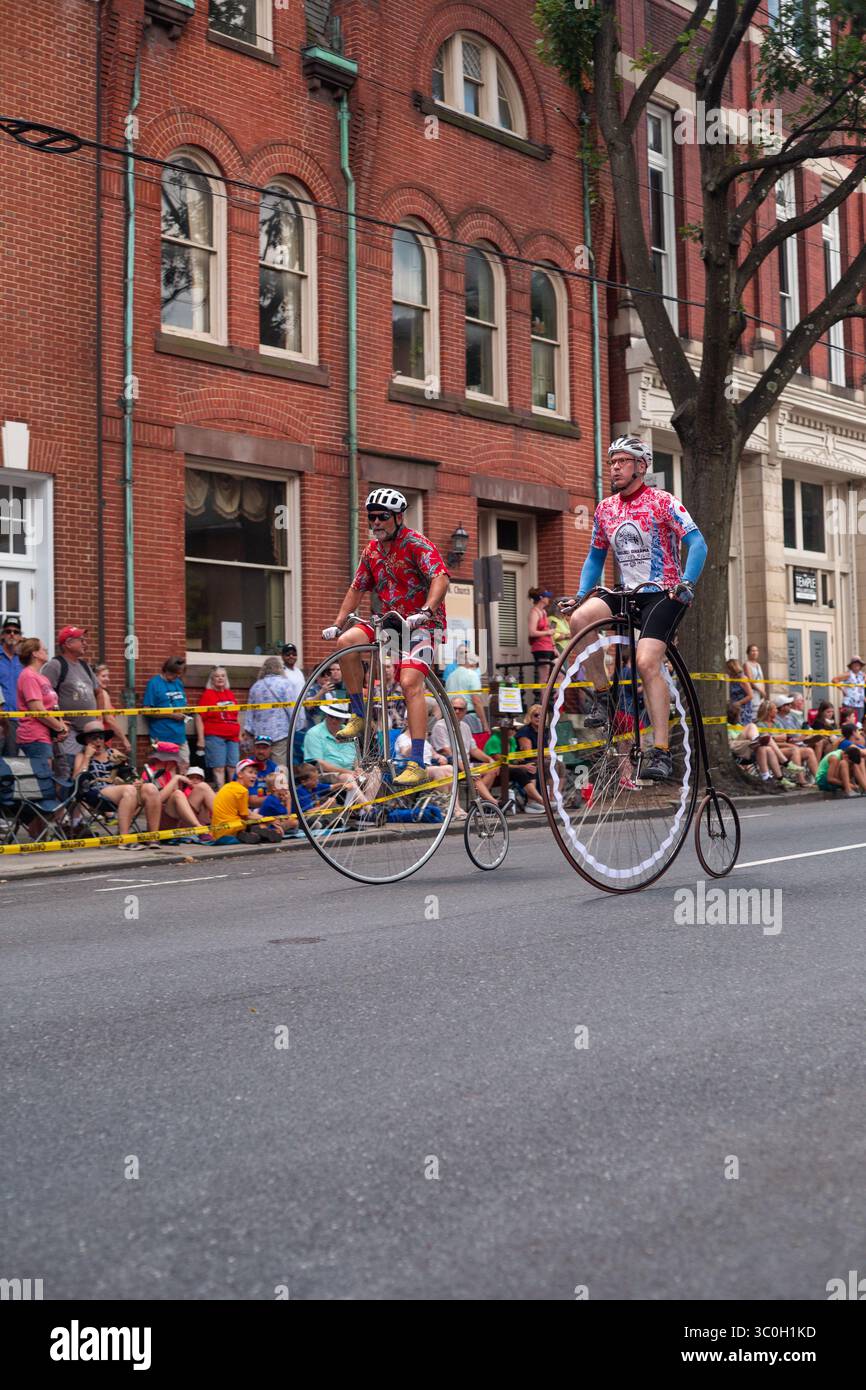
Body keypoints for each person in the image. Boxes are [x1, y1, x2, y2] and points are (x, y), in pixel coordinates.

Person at [561, 437, 707, 782]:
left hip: (663, 593)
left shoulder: (663, 502)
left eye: (623, 461)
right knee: (580, 619)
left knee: (645, 661)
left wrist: (687, 582)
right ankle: (604, 696)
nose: (615, 467)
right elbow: (596, 556)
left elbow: (697, 543)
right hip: (627, 591)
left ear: (642, 466)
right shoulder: (606, 509)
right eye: (612, 462)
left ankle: (661, 751)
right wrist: (581, 595)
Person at [322, 487, 450, 788]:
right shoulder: (372, 551)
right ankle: (358, 714)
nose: (376, 523)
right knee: (346, 643)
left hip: (422, 625)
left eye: (382, 517)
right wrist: (338, 623)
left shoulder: (417, 544)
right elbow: (357, 588)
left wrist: (427, 609)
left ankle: (417, 761)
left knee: (409, 682)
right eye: (371, 518)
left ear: (398, 517)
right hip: (391, 623)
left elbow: (440, 578)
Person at [43, 626, 130, 781]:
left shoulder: (84, 666)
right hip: (68, 733)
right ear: (68, 643)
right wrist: (58, 721)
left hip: (90, 733)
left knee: (89, 771)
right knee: (67, 771)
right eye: (81, 640)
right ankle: (65, 805)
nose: (85, 643)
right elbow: (45, 694)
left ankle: (84, 804)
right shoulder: (56, 665)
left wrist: (99, 718)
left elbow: (98, 692)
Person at [72, 721, 162, 843]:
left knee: (151, 788)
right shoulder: (82, 756)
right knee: (129, 789)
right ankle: (124, 839)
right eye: (93, 738)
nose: (98, 741)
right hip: (96, 792)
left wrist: (135, 780)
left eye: (101, 737)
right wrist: (87, 757)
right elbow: (76, 779)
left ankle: (153, 837)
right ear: (86, 740)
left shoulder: (113, 752)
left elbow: (128, 772)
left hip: (119, 790)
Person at [15, 637, 69, 802]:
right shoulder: (29, 676)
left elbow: (50, 707)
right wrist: (59, 727)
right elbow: (37, 709)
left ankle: (51, 822)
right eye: (44, 649)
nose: (46, 651)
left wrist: (59, 726)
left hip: (47, 735)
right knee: (41, 786)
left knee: (51, 781)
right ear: (35, 654)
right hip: (34, 736)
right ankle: (37, 824)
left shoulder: (42, 677)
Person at [428, 697, 500, 805]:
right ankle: (493, 803)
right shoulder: (440, 726)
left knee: (492, 768)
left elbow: (474, 750)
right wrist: (466, 769)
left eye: (460, 709)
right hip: (451, 764)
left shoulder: (466, 726)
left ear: (465, 711)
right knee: (475, 776)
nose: (457, 711)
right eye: (454, 708)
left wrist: (489, 759)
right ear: (448, 709)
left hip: (466, 763)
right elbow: (447, 752)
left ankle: (480, 802)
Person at [141, 742, 212, 841]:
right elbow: (158, 799)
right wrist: (176, 779)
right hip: (159, 821)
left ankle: (225, 819)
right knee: (178, 794)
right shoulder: (149, 773)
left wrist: (180, 779)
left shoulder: (168, 773)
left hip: (179, 817)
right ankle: (199, 828)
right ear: (162, 760)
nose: (175, 763)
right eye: (172, 760)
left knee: (202, 786)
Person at [211, 759, 283, 844]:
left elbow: (245, 812)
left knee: (259, 823)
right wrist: (270, 820)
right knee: (259, 825)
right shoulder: (242, 791)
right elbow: (247, 816)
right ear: (240, 774)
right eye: (250, 772)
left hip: (217, 832)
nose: (254, 776)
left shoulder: (229, 786)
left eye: (256, 773)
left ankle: (254, 833)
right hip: (231, 830)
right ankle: (251, 834)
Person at [244, 656, 296, 767]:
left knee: (261, 765)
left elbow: (250, 712)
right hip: (280, 733)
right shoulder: (285, 684)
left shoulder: (256, 686)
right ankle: (281, 783)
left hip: (260, 734)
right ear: (279, 668)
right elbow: (292, 709)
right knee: (280, 767)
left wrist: (249, 731)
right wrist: (297, 725)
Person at [194, 665, 241, 788]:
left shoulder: (229, 694)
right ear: (212, 679)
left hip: (233, 737)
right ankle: (221, 794)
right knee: (219, 767)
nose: (220, 678)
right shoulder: (208, 695)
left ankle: (232, 794)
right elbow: (199, 716)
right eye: (217, 676)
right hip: (215, 736)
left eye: (223, 676)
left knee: (233, 767)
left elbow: (236, 714)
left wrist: (240, 733)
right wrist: (201, 739)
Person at [483, 725, 546, 813]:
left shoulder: (511, 740)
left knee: (530, 767)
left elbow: (512, 759)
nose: (513, 731)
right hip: (494, 772)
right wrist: (521, 766)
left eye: (514, 729)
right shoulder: (495, 740)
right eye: (510, 728)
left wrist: (521, 760)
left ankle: (531, 802)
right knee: (519, 771)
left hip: (507, 769)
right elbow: (502, 762)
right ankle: (541, 800)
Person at [142, 656, 190, 758]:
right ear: (167, 670)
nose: (176, 676)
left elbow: (183, 703)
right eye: (173, 674)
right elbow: (147, 711)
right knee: (165, 769)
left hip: (180, 736)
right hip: (162, 736)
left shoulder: (178, 683)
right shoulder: (154, 683)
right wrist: (171, 715)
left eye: (179, 674)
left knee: (184, 767)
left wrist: (186, 712)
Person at [445, 646, 488, 732]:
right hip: (469, 717)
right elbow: (476, 701)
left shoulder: (450, 676)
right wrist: (485, 723)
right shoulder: (472, 675)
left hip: (452, 717)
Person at [0, 616, 23, 756]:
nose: (12, 634)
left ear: (20, 636)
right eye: (8, 631)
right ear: (2, 634)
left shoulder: (24, 659)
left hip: (20, 717)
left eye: (16, 631)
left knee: (12, 762)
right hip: (1, 717)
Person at [528, 588, 557, 688]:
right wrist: (547, 632)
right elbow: (532, 632)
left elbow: (550, 631)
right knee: (544, 678)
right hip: (540, 648)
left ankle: (555, 699)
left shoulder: (544, 612)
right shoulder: (534, 612)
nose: (549, 598)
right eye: (547, 596)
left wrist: (554, 647)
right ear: (541, 598)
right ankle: (544, 702)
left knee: (560, 674)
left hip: (549, 647)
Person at [834, 656, 865, 723]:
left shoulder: (862, 675)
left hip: (860, 703)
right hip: (849, 703)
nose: (857, 664)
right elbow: (834, 680)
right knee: (848, 722)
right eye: (855, 663)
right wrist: (842, 689)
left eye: (858, 663)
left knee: (859, 723)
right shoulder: (848, 674)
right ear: (851, 665)